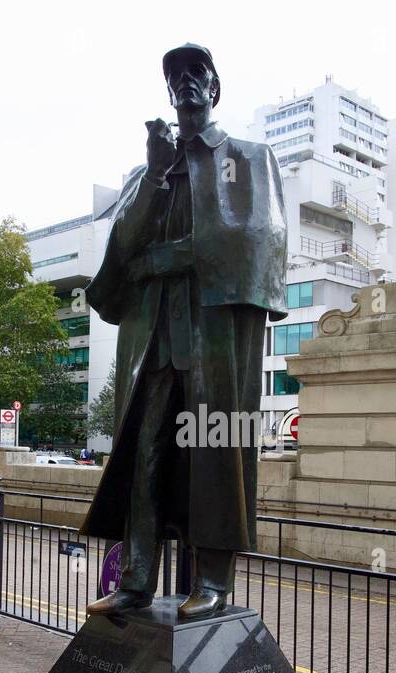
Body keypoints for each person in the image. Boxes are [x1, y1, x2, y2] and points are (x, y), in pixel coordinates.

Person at [81, 43, 287, 619]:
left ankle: (215, 582)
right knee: (143, 456)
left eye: (197, 74)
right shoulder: (150, 167)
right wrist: (152, 173)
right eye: (175, 77)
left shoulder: (247, 158)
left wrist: (172, 257)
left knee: (214, 449)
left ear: (215, 88)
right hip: (153, 341)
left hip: (210, 335)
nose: (186, 83)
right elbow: (122, 246)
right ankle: (136, 579)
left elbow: (260, 242)